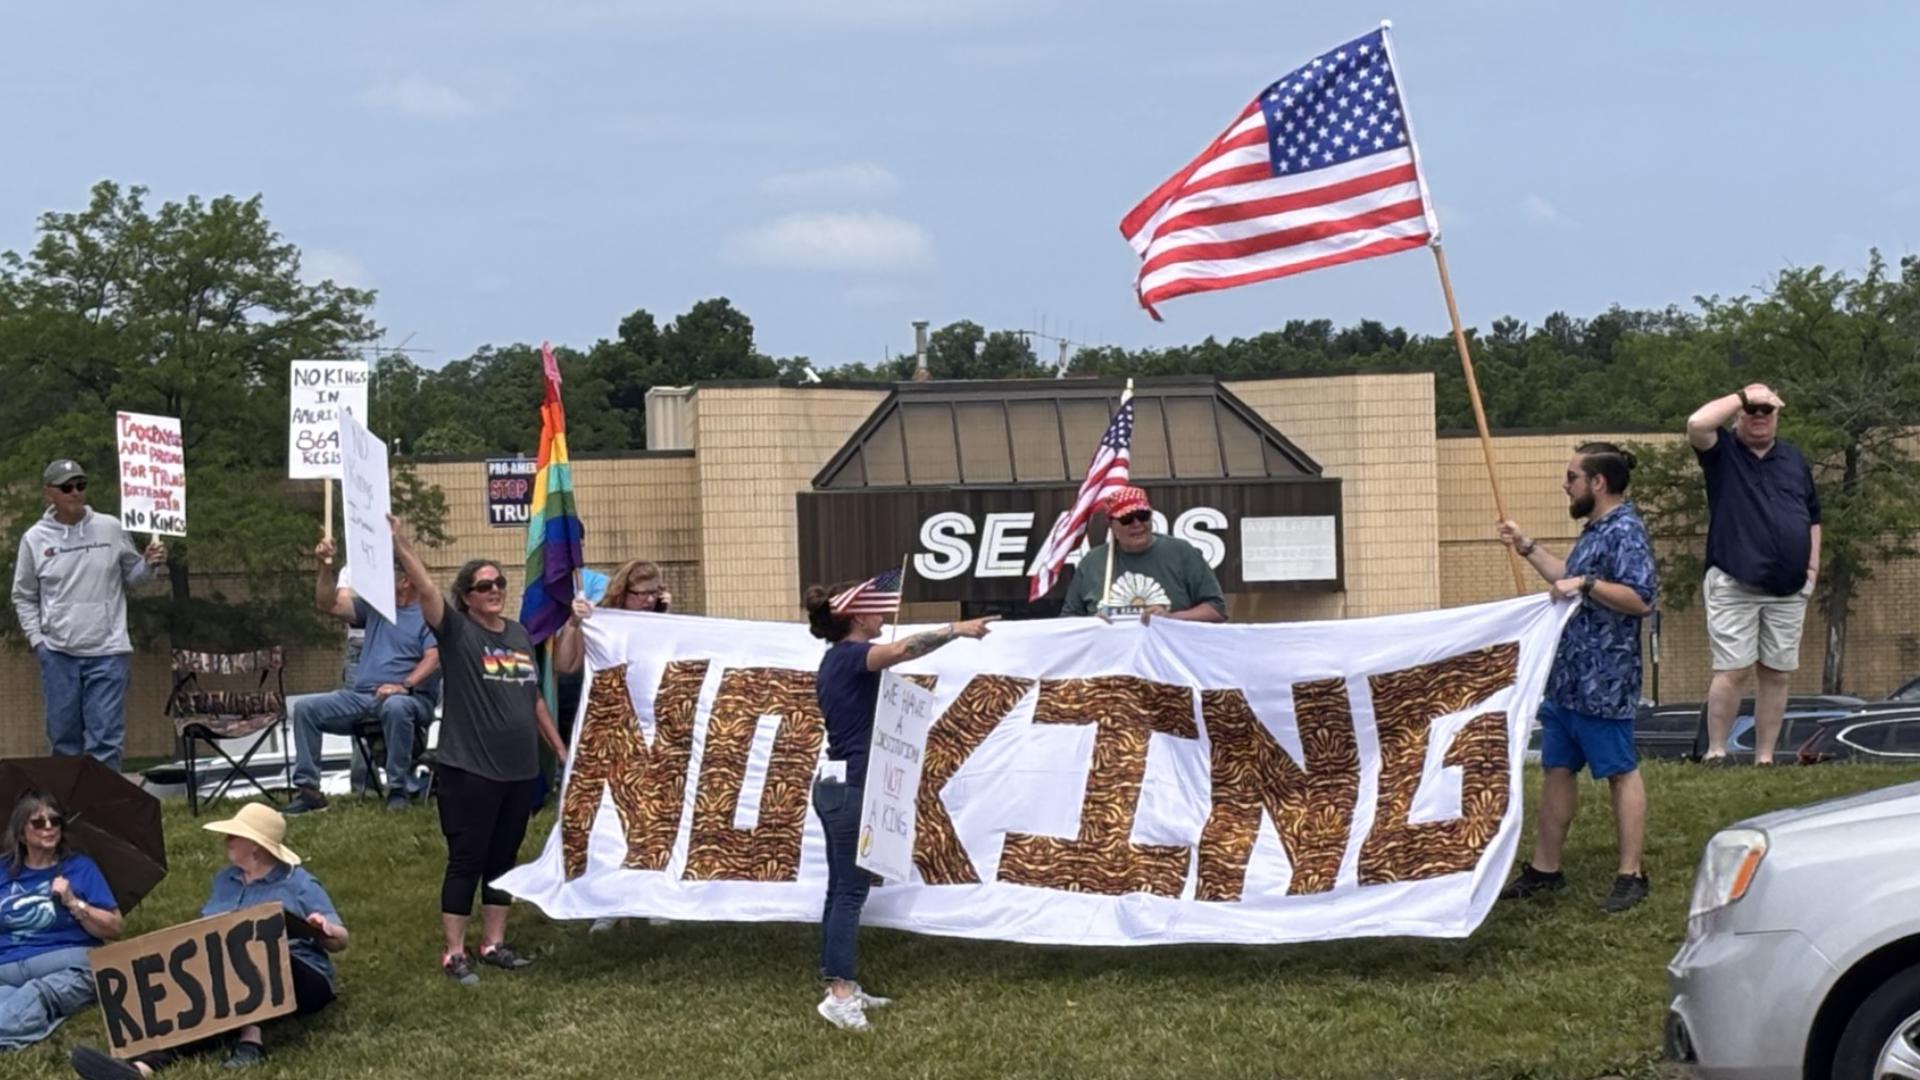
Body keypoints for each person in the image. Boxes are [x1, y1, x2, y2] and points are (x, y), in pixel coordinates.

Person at [802, 573, 995, 1030]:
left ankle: (840, 980)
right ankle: (839, 994)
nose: (884, 615)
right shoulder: (850, 657)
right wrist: (955, 629)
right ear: (855, 614)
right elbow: (901, 650)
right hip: (849, 787)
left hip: (840, 786)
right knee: (849, 892)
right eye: (875, 608)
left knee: (842, 891)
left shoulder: (837, 659)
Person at [391, 519, 567, 986]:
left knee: (504, 859)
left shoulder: (517, 635)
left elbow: (532, 698)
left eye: (499, 583)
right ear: (466, 596)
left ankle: (493, 944)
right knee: (466, 859)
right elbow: (427, 589)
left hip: (518, 771)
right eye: (483, 585)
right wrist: (401, 544)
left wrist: (559, 748)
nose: (494, 590)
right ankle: (454, 952)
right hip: (469, 770)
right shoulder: (457, 632)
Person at [1495, 442, 1659, 914]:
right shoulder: (1595, 529)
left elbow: (1640, 597)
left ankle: (1632, 873)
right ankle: (1546, 869)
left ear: (1598, 483)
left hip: (1603, 681)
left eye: (1571, 477)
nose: (1564, 485)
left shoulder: (1625, 531)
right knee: (1556, 769)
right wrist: (1526, 546)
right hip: (1568, 678)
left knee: (1619, 772)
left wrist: (1585, 585)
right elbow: (1568, 576)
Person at [67, 802, 347, 1076]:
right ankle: (141, 1067)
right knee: (202, 1007)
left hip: (299, 975)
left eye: (234, 836)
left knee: (255, 947)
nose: (226, 840)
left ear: (256, 846)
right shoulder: (225, 880)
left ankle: (252, 1041)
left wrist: (325, 929)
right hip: (234, 977)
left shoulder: (298, 883)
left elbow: (339, 940)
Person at [1685, 383, 1822, 765]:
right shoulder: (1723, 453)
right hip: (1734, 579)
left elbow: (1813, 515)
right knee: (1733, 668)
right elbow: (1696, 423)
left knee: (1776, 672)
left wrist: (1813, 567)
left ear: (1777, 416)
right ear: (1738, 415)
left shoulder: (1794, 460)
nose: (1759, 417)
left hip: (1790, 586)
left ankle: (1765, 757)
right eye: (1752, 411)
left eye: (1767, 411)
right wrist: (1744, 395)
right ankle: (1717, 751)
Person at [11, 459, 167, 773]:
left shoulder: (110, 527)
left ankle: (102, 813)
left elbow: (134, 578)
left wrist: (149, 564)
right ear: (49, 493)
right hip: (58, 654)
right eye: (66, 487)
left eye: (80, 485)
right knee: (64, 739)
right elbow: (24, 595)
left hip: (109, 651)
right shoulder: (34, 539)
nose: (75, 492)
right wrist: (38, 641)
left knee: (106, 738)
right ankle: (65, 812)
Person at [554, 559, 672, 935]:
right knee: (606, 821)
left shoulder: (661, 621)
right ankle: (606, 901)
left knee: (651, 817)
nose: (650, 601)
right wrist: (575, 624)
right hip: (608, 731)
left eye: (656, 593)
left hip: (653, 731)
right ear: (625, 592)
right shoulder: (600, 619)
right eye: (643, 594)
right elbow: (565, 664)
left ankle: (649, 894)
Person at [286, 536, 440, 814]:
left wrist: (403, 686)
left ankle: (398, 788)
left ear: (405, 581)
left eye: (385, 575)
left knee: (395, 706)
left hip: (410, 699)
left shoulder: (428, 614)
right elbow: (328, 604)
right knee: (306, 709)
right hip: (362, 696)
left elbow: (434, 657)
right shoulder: (378, 609)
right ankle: (308, 791)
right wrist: (324, 566)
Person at [0, 791, 122, 1051]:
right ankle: (18, 1021)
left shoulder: (80, 867)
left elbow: (114, 928)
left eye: (55, 821)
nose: (48, 828)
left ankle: (19, 1017)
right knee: (17, 998)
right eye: (38, 822)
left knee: (41, 993)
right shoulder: (3, 871)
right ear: (21, 833)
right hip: (6, 966)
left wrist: (74, 902)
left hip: (66, 961)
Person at [1060, 487, 1227, 623]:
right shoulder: (1092, 562)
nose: (1137, 524)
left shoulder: (1181, 552)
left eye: (1143, 516)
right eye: (1127, 519)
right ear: (1111, 525)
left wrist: (1171, 618)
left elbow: (1217, 610)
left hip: (1167, 657)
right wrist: (1094, 624)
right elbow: (1068, 620)